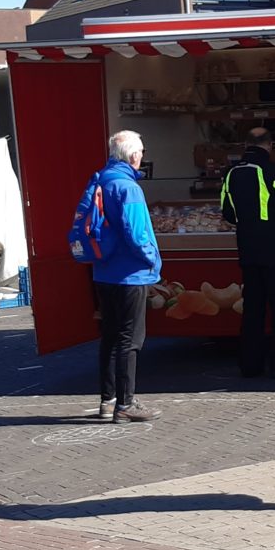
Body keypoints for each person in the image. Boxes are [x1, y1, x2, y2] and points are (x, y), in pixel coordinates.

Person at [78, 130, 163, 422]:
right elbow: (136, 233)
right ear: (134, 155)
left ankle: (107, 400)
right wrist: (153, 260)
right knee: (131, 339)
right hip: (130, 274)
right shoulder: (129, 188)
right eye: (142, 152)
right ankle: (126, 405)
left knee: (111, 338)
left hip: (103, 271)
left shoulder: (99, 179)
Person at [219, 127, 275, 378]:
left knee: (252, 309)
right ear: (268, 146)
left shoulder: (231, 174)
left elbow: (228, 213)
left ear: (246, 144)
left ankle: (250, 364)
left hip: (247, 249)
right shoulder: (272, 171)